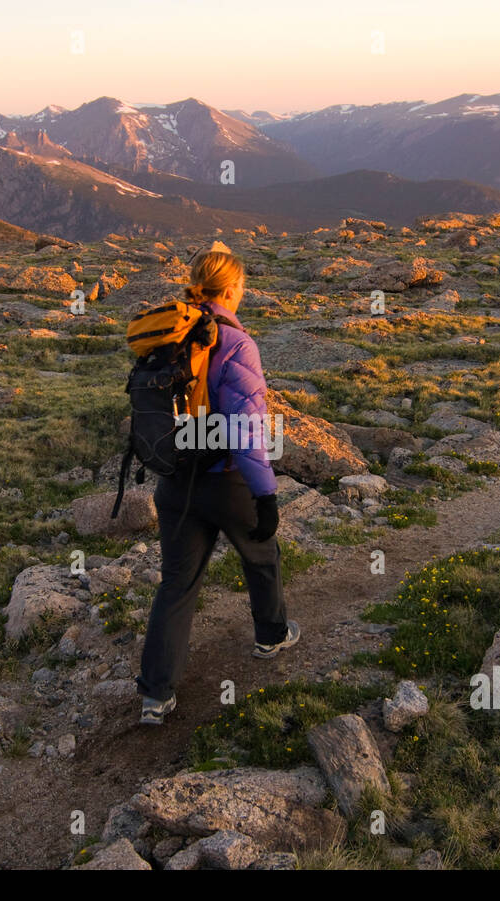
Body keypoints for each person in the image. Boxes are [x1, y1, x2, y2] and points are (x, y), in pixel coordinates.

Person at [136, 242, 300, 724]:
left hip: (175, 480)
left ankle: (155, 694)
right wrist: (266, 493)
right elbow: (247, 428)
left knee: (177, 584)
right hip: (225, 478)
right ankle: (271, 635)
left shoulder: (171, 332)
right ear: (231, 289)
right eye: (242, 287)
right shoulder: (235, 342)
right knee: (262, 554)